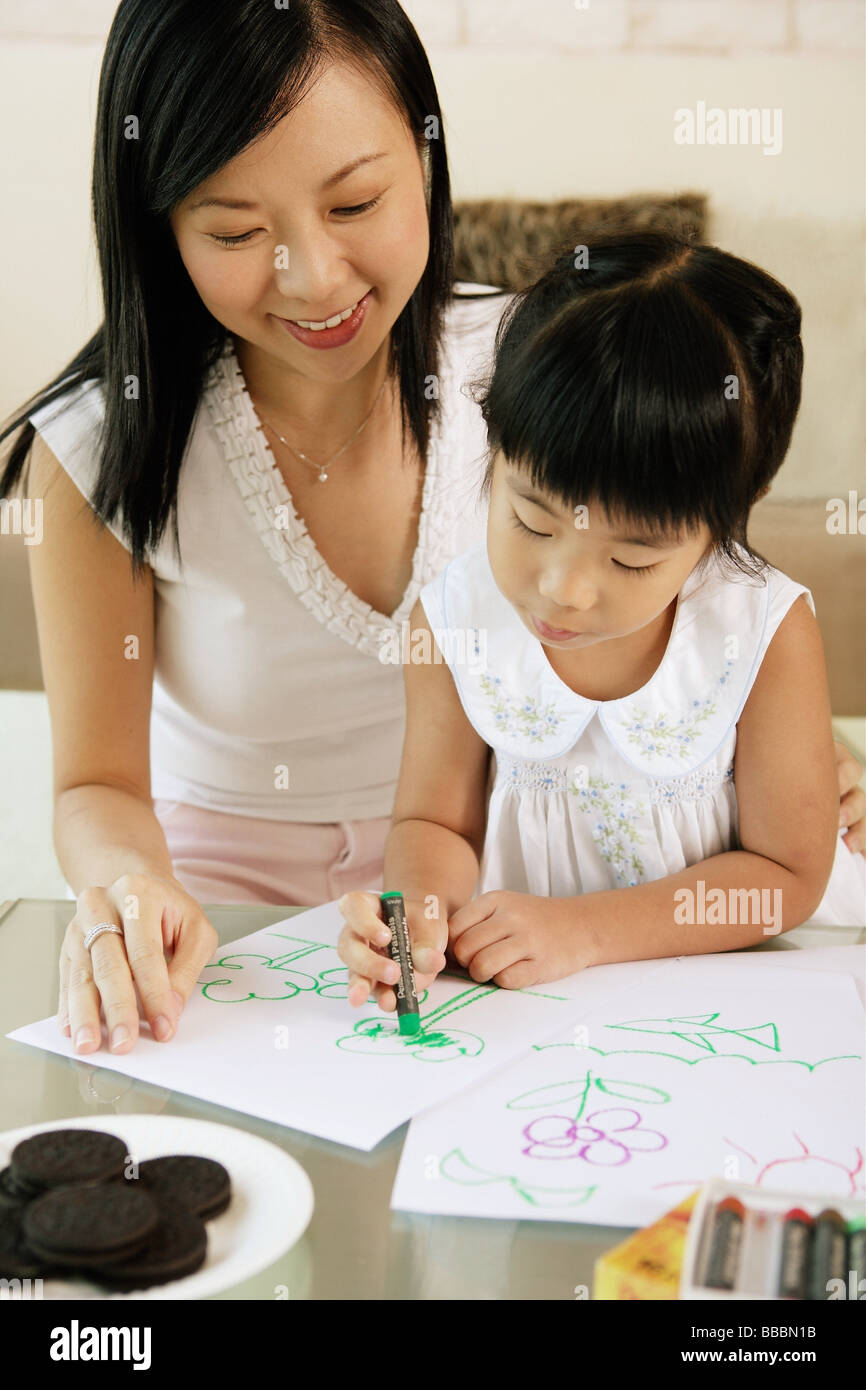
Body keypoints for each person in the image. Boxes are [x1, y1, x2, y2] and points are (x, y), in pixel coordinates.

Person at [0, 4, 860, 1057]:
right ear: (156, 222)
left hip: (504, 906)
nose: (312, 278)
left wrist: (770, 750)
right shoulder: (102, 452)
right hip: (227, 924)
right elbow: (96, 785)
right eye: (233, 229)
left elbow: (693, 598)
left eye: (355, 200)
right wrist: (130, 886)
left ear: (424, 151)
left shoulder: (536, 372)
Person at [337, 232, 866, 1009]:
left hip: (743, 991)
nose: (565, 590)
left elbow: (785, 875)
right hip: (542, 1002)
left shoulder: (762, 628)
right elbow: (435, 824)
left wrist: (586, 932)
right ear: (494, 449)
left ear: (719, 528)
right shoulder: (452, 622)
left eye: (632, 560)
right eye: (533, 521)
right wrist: (417, 918)